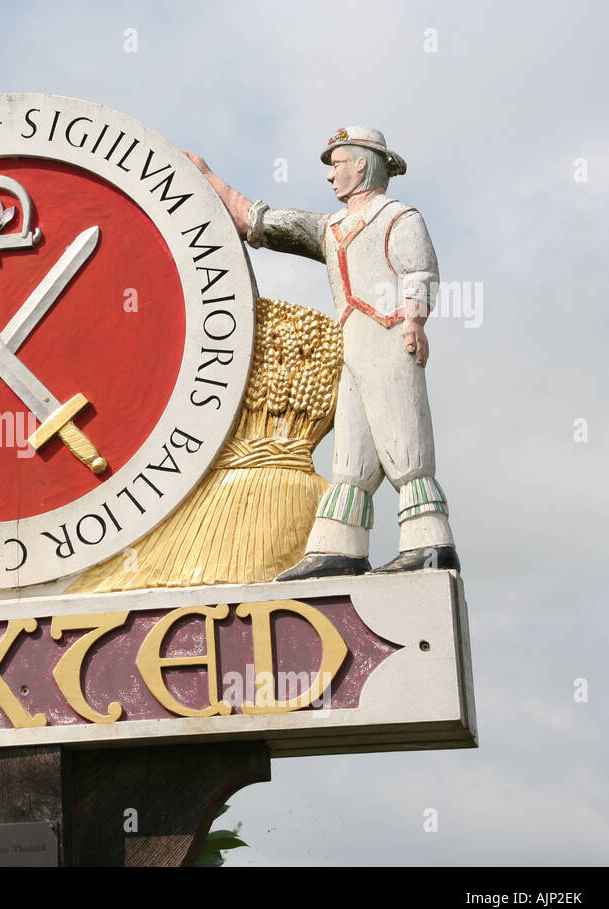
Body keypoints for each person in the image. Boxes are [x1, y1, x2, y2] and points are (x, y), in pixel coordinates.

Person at [184, 127, 459, 578]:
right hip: (353, 345)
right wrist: (209, 179)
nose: (331, 176)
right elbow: (263, 223)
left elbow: (421, 271)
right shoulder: (331, 227)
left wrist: (414, 320)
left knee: (403, 441)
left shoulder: (398, 217)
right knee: (352, 454)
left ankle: (430, 542)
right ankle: (340, 548)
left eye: (337, 164)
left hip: (388, 337)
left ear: (363, 164)